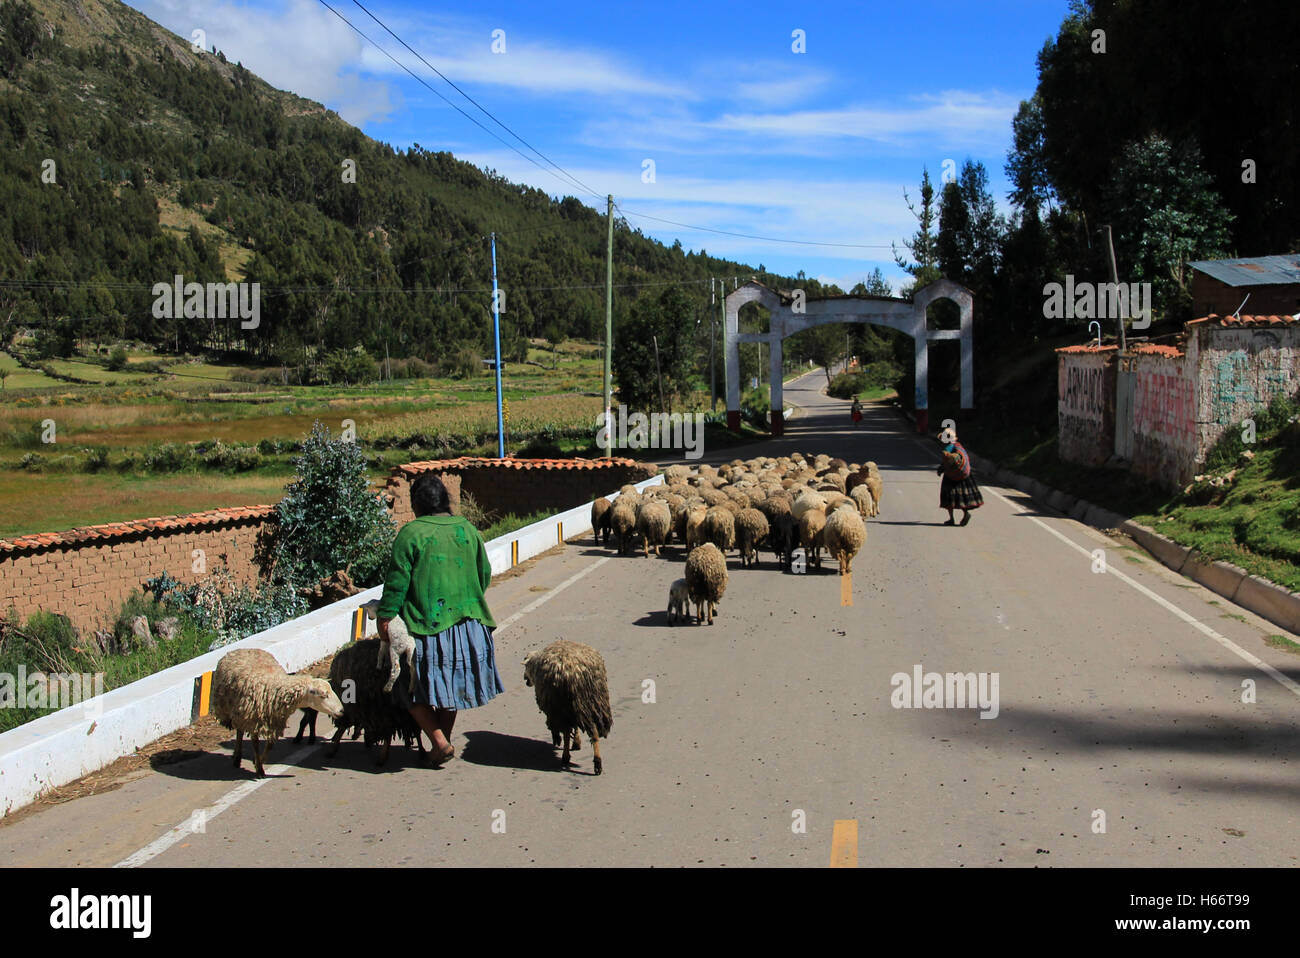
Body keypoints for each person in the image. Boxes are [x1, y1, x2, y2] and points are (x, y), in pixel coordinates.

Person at [375, 472, 504, 765]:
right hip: (470, 626)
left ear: (416, 504)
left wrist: (385, 618)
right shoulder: (467, 529)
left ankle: (439, 742)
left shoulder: (411, 533)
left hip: (427, 627)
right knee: (452, 686)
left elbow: (396, 583)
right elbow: (484, 574)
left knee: (404, 686)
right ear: (444, 500)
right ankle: (440, 744)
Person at [936, 426, 983, 526]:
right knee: (962, 498)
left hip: (951, 476)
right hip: (964, 476)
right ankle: (965, 513)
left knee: (948, 497)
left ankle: (951, 519)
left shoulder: (948, 448)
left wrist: (941, 469)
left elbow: (947, 461)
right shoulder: (959, 446)